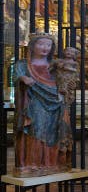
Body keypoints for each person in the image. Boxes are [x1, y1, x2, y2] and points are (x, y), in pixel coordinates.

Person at [14, 33, 72, 177]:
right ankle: (31, 164)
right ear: (32, 46)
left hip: (56, 102)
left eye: (48, 44)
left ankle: (52, 164)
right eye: (41, 44)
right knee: (36, 130)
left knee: (53, 131)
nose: (45, 48)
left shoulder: (55, 65)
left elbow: (65, 81)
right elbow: (17, 76)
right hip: (34, 103)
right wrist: (23, 78)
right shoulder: (22, 64)